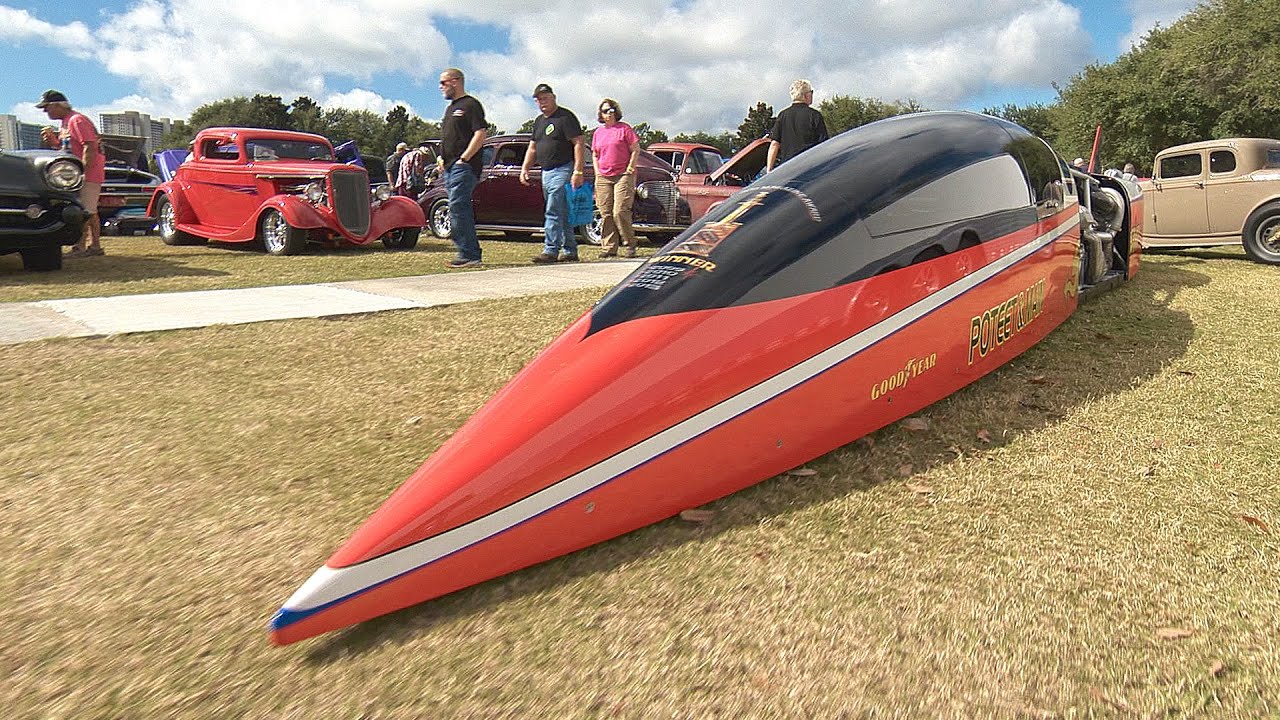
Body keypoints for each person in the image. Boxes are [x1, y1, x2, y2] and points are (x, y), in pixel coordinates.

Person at [521, 83, 585, 263]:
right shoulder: (539, 122)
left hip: (563, 168)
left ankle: (550, 249)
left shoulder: (565, 117)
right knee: (560, 210)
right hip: (545, 171)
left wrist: (578, 170)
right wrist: (525, 168)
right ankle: (570, 250)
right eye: (539, 99)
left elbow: (578, 143)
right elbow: (532, 147)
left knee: (552, 209)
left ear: (553, 97)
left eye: (546, 98)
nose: (543, 102)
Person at [37, 90, 106, 257]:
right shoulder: (66, 123)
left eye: (47, 108)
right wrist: (53, 142)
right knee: (87, 210)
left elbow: (89, 146)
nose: (46, 112)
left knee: (85, 211)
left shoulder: (77, 120)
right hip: (77, 174)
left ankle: (83, 247)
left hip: (86, 174)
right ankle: (91, 246)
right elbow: (68, 149)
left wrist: (82, 171)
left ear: (58, 105)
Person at [437, 68, 487, 269]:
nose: (441, 87)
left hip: (464, 167)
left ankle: (469, 254)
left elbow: (480, 132)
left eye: (444, 82)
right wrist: (442, 157)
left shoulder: (470, 105)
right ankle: (468, 252)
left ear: (456, 81)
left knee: (458, 206)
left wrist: (465, 158)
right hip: (449, 167)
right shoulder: (450, 109)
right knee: (456, 207)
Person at [589, 97, 640, 259]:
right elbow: (595, 154)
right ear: (601, 114)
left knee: (619, 211)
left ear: (616, 112)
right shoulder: (598, 132)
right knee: (606, 212)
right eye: (605, 111)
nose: (608, 114)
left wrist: (630, 168)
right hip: (603, 176)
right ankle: (609, 247)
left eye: (611, 110)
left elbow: (635, 149)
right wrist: (597, 172)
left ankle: (630, 243)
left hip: (622, 176)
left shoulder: (624, 129)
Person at [765, 79, 828, 173]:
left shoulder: (783, 115)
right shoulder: (814, 115)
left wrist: (769, 170)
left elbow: (774, 144)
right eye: (811, 92)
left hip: (787, 168)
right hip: (809, 168)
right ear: (806, 95)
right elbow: (824, 145)